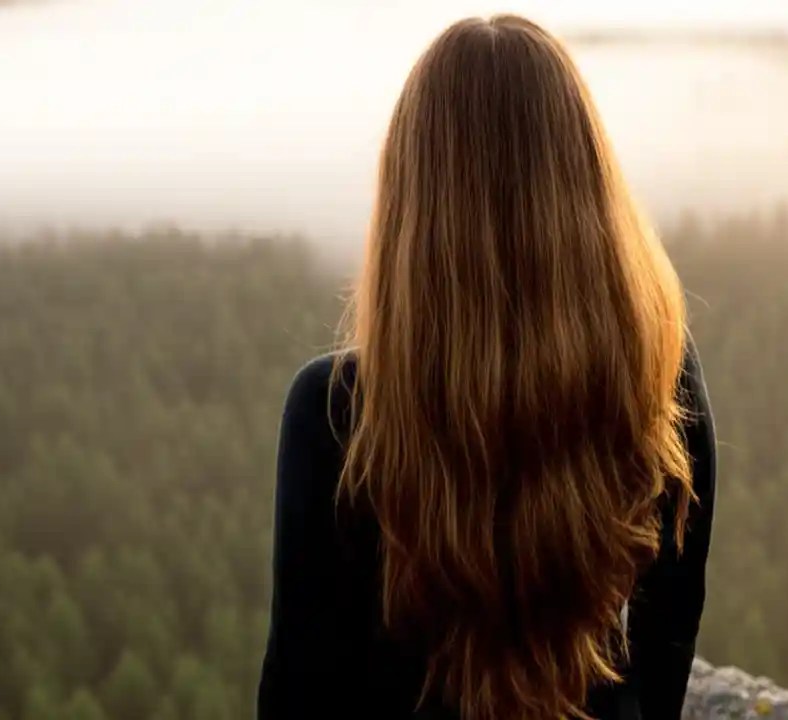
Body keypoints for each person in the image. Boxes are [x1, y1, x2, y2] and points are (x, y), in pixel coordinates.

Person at [257, 14, 716, 720]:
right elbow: (668, 642)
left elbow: (299, 691)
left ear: (412, 201)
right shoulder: (657, 378)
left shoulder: (334, 412)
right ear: (586, 182)